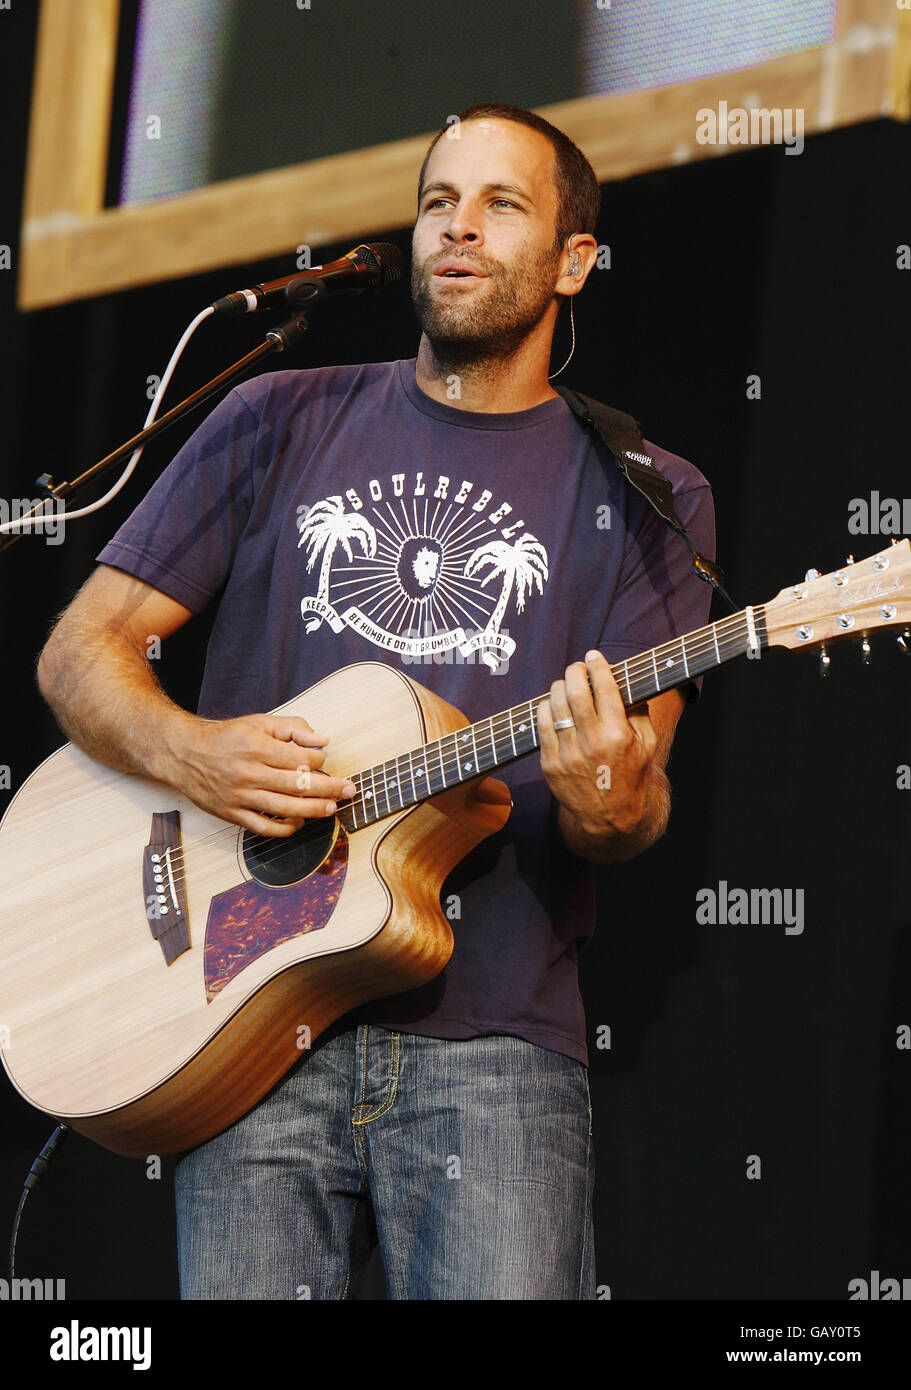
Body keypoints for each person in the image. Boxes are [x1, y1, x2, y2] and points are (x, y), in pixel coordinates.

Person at [36, 102, 715, 1300]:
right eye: (435, 202)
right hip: (241, 1023)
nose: (456, 229)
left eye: (501, 204)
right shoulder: (272, 418)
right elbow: (81, 652)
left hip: (493, 1050)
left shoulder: (650, 493)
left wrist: (604, 791)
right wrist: (194, 756)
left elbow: (628, 812)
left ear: (571, 261)